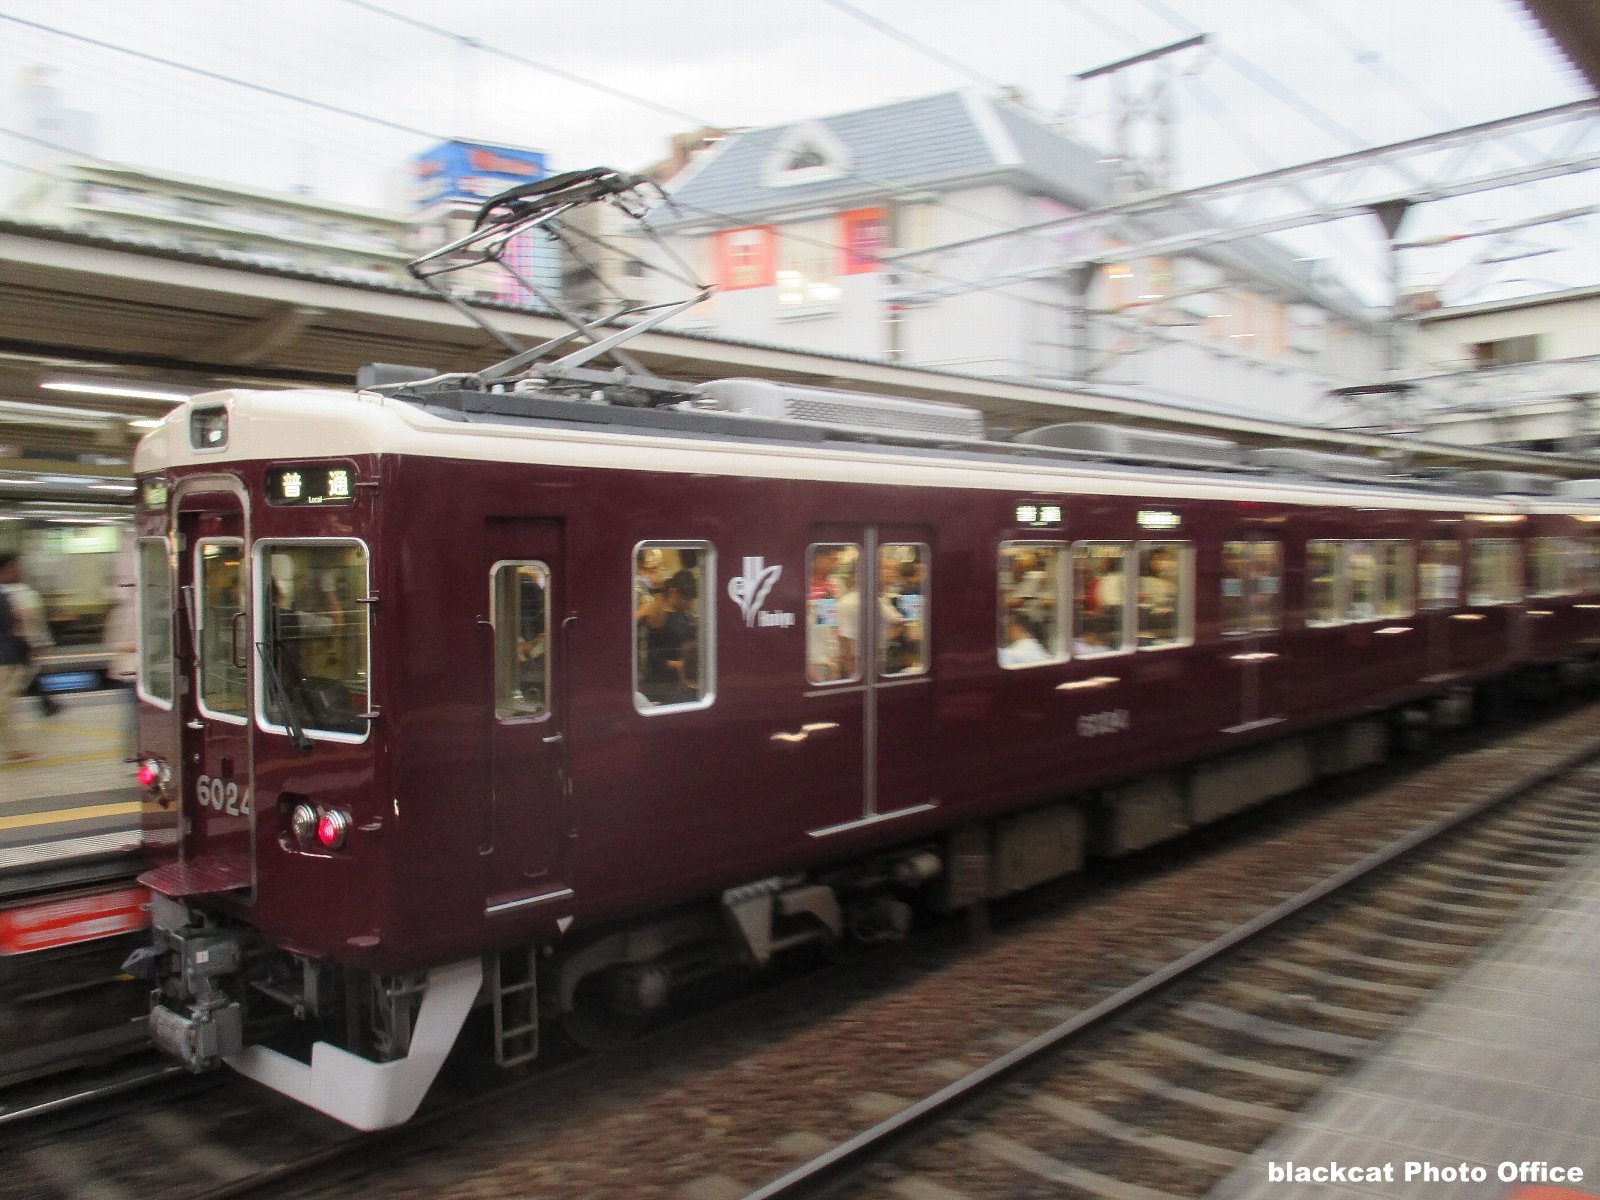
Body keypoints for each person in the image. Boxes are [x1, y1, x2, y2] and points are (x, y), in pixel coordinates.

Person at [638, 568, 699, 704]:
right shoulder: (658, 613)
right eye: (686, 599)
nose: (689, 604)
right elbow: (654, 658)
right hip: (659, 685)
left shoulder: (686, 615)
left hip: (681, 683)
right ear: (673, 593)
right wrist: (679, 665)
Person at [0, 554, 37, 764]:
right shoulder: (3, 596)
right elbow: (13, 626)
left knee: (4, 706)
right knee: (3, 706)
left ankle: (14, 749)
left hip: (8, 657)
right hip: (5, 659)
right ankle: (14, 750)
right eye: (14, 567)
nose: (17, 572)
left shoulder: (6, 595)